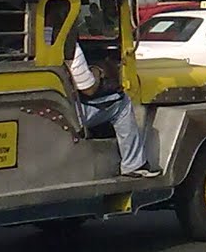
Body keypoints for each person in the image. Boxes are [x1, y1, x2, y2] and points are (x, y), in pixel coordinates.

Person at [67, 40, 159, 178]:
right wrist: (97, 71)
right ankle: (133, 165)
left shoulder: (42, 39)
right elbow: (89, 89)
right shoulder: (69, 45)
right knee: (122, 103)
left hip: (53, 108)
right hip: (69, 115)